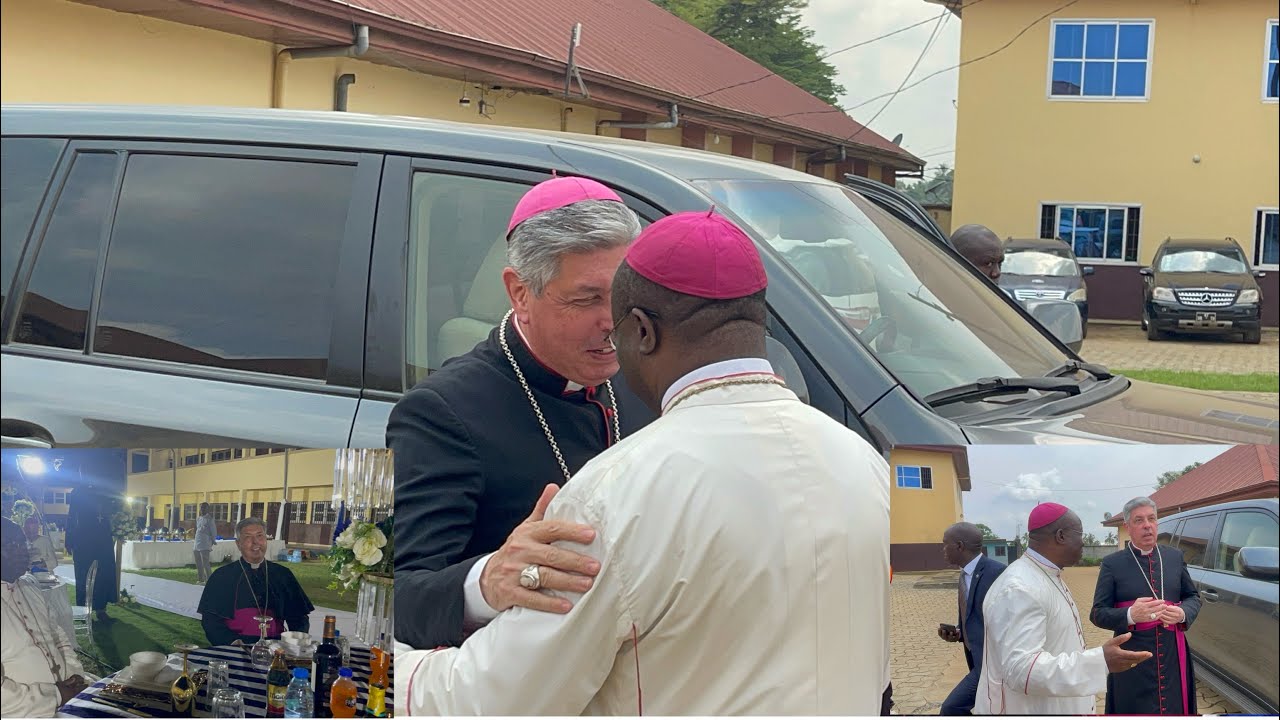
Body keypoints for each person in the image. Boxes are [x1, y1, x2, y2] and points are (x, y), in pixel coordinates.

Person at [395, 210, 891, 715]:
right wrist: (483, 582)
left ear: (643, 331)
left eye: (612, 306)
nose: (607, 330)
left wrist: (386, 673)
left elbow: (496, 699)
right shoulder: (863, 461)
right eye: (586, 299)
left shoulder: (609, 494)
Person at [389, 175, 652, 650]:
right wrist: (487, 580)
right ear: (520, 293)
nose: (615, 323)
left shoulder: (646, 376)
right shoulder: (442, 412)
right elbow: (398, 599)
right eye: (587, 298)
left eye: (625, 294)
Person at [975, 502, 1152, 715]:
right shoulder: (1019, 588)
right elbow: (1021, 669)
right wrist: (1099, 662)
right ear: (1061, 536)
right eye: (1080, 534)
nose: (1084, 541)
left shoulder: (1046, 574)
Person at [1090, 497, 1202, 715]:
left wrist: (1182, 613)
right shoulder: (1112, 563)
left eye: (1151, 519)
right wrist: (1131, 614)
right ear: (1127, 527)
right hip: (1131, 656)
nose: (1147, 525)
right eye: (1139, 520)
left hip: (1172, 652)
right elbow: (1097, 613)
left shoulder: (1175, 557)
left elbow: (1193, 597)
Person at [2, 518, 95, 718]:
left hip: (70, 691)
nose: (24, 551)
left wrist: (73, 671)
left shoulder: (30, 585)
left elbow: (58, 635)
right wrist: (56, 695)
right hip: (23, 712)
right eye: (12, 544)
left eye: (24, 543)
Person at [197, 518, 313, 646]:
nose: (255, 542)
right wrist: (232, 642)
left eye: (260, 536)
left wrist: (292, 643)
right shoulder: (222, 576)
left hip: (276, 646)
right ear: (238, 544)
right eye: (248, 537)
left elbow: (299, 618)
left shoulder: (283, 575)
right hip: (237, 646)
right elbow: (211, 621)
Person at [938, 522, 1005, 715]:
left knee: (951, 708)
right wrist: (959, 634)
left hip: (992, 664)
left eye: (945, 544)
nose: (943, 549)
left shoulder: (997, 573)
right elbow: (973, 617)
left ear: (959, 546)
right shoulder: (965, 574)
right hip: (975, 659)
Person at [65, 485, 116, 623]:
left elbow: (113, 510)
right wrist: (69, 539)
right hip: (83, 541)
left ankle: (101, 610)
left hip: (103, 540)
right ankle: (83, 612)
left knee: (103, 575)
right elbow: (72, 515)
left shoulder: (105, 490)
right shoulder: (78, 491)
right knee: (83, 576)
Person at [193, 503, 216, 585]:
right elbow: (198, 529)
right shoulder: (198, 519)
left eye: (204, 508)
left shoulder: (210, 519)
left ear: (207, 509)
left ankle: (209, 580)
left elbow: (213, 531)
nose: (202, 509)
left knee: (205, 563)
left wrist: (213, 540)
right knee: (198, 562)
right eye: (201, 508)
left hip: (205, 543)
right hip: (197, 542)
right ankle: (201, 579)